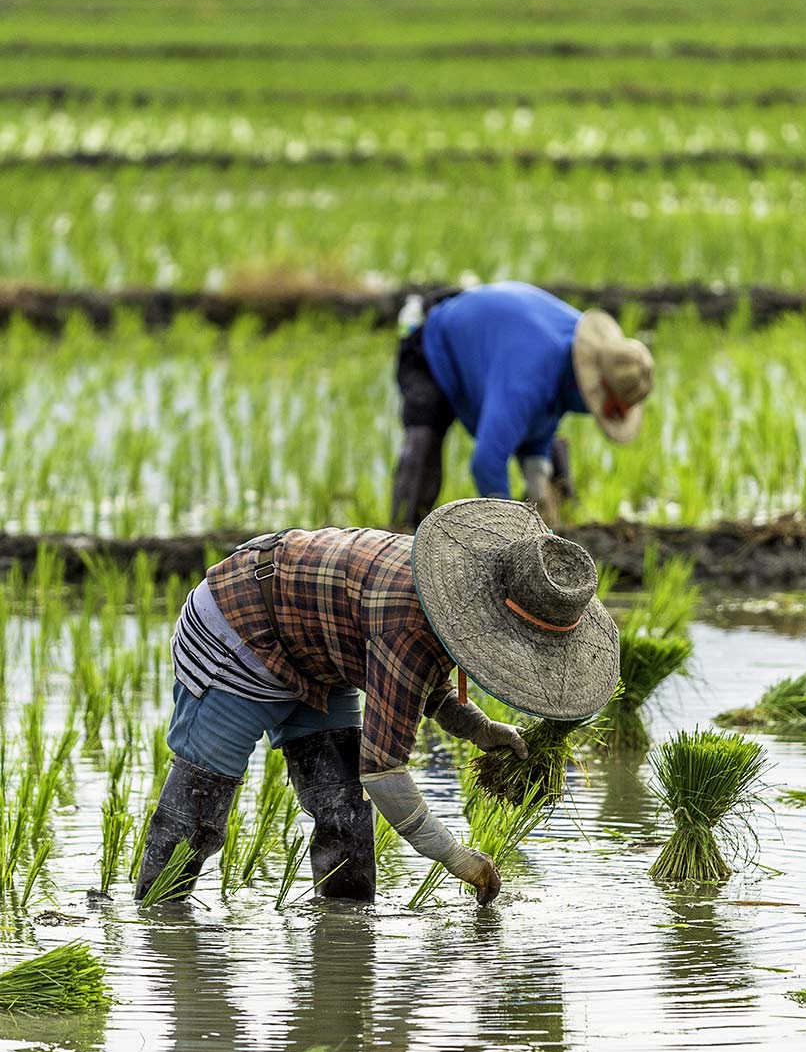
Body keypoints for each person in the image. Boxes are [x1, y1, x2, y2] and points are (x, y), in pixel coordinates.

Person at [134, 498, 620, 905]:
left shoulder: (450, 603)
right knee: (201, 803)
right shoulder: (414, 616)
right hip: (240, 627)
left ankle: (344, 927)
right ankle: (159, 922)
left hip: (320, 650)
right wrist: (459, 859)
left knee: (342, 805)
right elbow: (385, 771)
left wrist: (476, 727)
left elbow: (417, 678)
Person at [390, 282, 654, 531]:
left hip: (504, 359)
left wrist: (539, 487)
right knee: (424, 439)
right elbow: (486, 463)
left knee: (551, 468)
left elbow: (545, 412)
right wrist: (510, 529)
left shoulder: (571, 362)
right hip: (432, 343)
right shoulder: (527, 380)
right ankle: (404, 532)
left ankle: (560, 524)